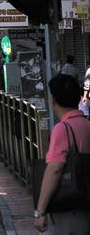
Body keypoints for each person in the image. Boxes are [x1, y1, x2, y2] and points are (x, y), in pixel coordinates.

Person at [32, 73, 90, 233]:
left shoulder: (62, 129)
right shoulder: (86, 124)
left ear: (53, 101)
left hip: (69, 211)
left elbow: (55, 169)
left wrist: (40, 211)